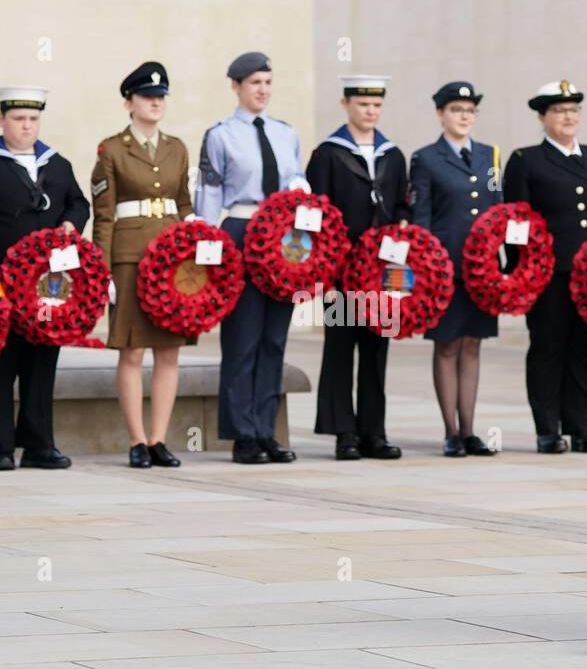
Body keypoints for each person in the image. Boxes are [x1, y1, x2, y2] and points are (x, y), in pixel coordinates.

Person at [0, 86, 90, 471]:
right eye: (18, 119)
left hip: (47, 286)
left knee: (42, 361)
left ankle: (38, 444)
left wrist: (70, 222)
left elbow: (79, 203)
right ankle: (0, 447)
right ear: (1, 120)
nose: (26, 126)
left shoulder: (57, 164)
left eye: (33, 119)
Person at [195, 51, 309, 465]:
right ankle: (242, 433)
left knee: (274, 338)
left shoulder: (285, 133)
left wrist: (303, 198)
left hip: (282, 238)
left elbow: (294, 176)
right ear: (236, 87)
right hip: (241, 232)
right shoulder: (221, 134)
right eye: (254, 83)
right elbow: (208, 194)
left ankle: (267, 429)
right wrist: (206, 252)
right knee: (242, 337)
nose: (262, 90)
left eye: (267, 82)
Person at [91, 61, 193, 469]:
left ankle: (159, 438)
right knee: (132, 351)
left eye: (160, 96)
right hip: (130, 257)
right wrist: (102, 268)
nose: (155, 102)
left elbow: (183, 203)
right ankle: (136, 439)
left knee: (169, 351)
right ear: (128, 103)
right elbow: (104, 214)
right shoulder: (112, 149)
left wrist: (194, 246)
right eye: (147, 97)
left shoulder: (177, 148)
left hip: (171, 258)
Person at [503, 80, 587, 454]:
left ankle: (581, 427)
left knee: (583, 349)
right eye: (560, 111)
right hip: (547, 276)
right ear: (542, 116)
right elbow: (515, 222)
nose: (568, 117)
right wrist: (518, 274)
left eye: (574, 110)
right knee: (548, 348)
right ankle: (548, 429)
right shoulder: (526, 160)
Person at [307, 75, 409, 461]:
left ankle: (373, 432)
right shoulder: (328, 154)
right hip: (342, 272)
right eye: (363, 105)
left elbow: (403, 204)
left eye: (376, 106)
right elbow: (317, 215)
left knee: (376, 350)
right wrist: (325, 276)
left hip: (383, 273)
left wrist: (401, 225)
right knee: (339, 349)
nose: (370, 112)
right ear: (346, 104)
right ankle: (343, 432)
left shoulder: (392, 155)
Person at [410, 81, 502, 458]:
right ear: (440, 115)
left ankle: (469, 429)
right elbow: (421, 220)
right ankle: (450, 430)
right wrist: (425, 269)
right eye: (456, 110)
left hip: (482, 270)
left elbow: (499, 207)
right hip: (443, 268)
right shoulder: (426, 158)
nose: (464, 117)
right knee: (447, 345)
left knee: (473, 345)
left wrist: (503, 260)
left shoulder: (491, 155)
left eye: (469, 111)